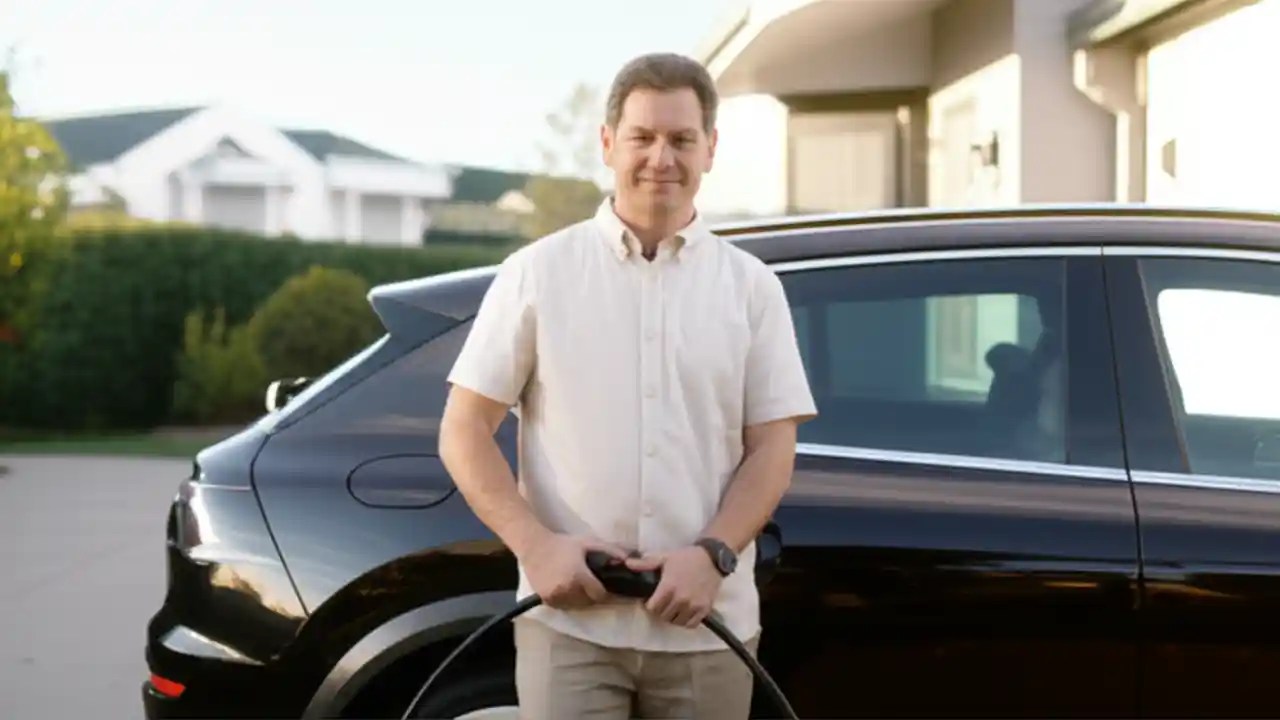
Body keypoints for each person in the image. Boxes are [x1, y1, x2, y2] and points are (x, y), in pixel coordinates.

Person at [438, 51, 817, 720]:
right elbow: (463, 430)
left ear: (711, 150)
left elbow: (771, 450)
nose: (660, 158)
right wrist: (535, 547)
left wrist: (713, 555)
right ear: (609, 144)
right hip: (570, 628)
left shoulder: (753, 289)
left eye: (681, 139)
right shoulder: (536, 274)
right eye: (642, 137)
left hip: (707, 628)